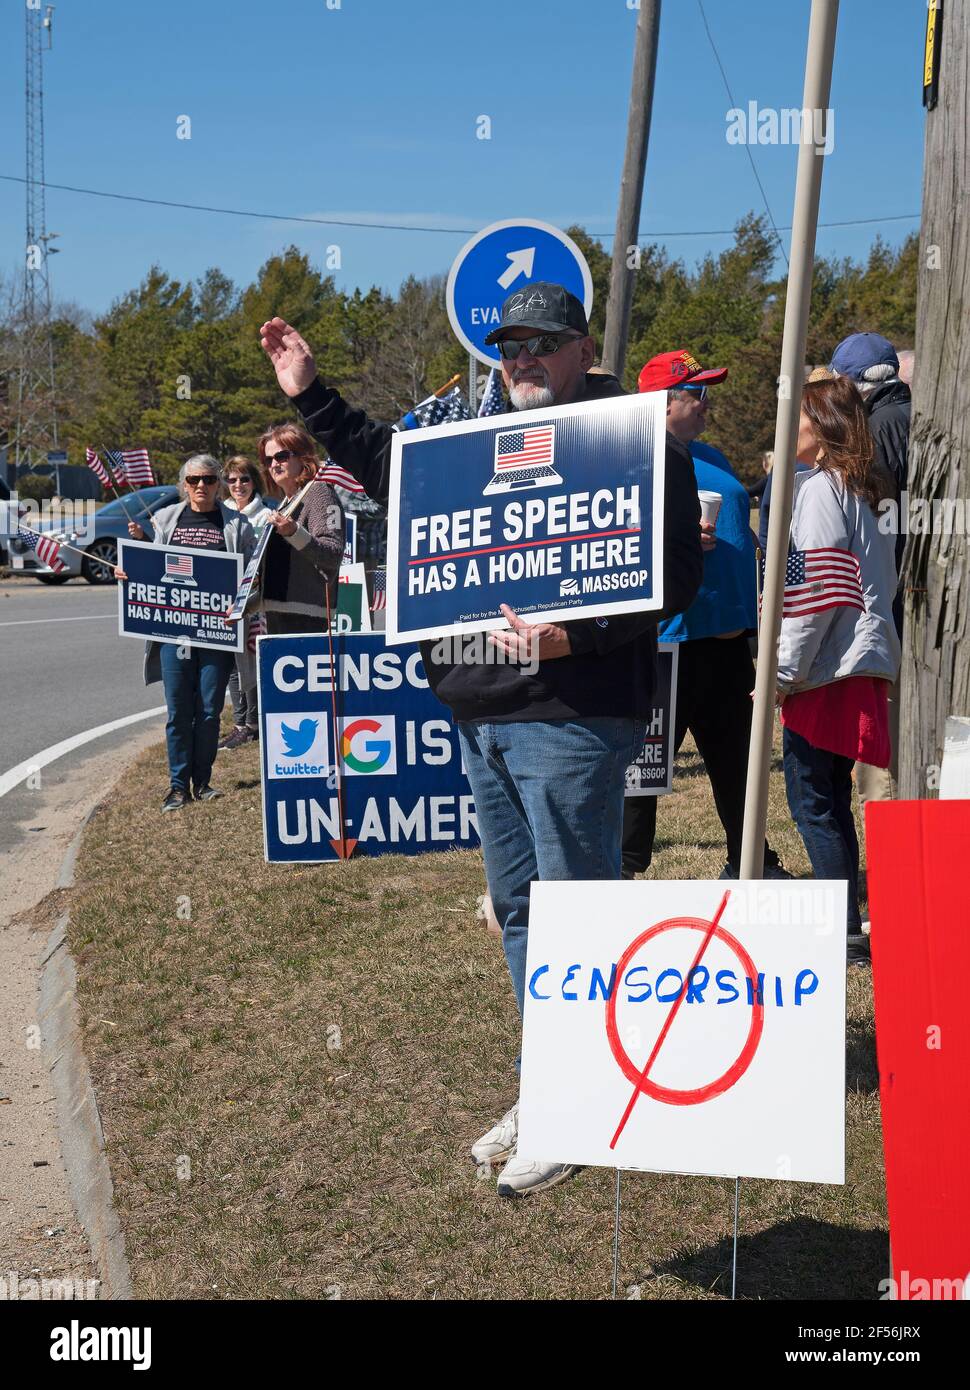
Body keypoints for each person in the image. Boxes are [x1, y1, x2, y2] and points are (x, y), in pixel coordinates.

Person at [259, 284, 703, 1197]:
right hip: (479, 710)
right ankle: (553, 1085)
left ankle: (587, 1106)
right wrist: (309, 393)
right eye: (509, 345)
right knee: (520, 911)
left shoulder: (637, 441)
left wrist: (574, 636)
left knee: (579, 913)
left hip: (573, 715)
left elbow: (675, 577)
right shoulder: (472, 436)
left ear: (584, 350)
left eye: (542, 342)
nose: (522, 357)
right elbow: (388, 464)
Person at [622, 350, 788, 881]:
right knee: (642, 771)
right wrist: (669, 543)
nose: (706, 404)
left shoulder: (709, 453)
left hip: (726, 640)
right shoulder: (635, 459)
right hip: (668, 641)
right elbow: (612, 540)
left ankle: (752, 865)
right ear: (662, 403)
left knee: (736, 765)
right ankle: (618, 870)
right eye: (697, 394)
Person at [775, 377, 899, 966]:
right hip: (856, 660)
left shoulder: (820, 490)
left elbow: (816, 590)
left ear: (820, 429)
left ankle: (839, 930)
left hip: (824, 668)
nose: (787, 424)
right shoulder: (863, 489)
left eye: (796, 415)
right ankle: (847, 925)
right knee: (830, 797)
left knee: (813, 800)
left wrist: (781, 671)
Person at [115, 455, 256, 812]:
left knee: (209, 710)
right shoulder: (164, 520)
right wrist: (127, 571)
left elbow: (255, 577)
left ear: (218, 484)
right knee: (178, 711)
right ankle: (177, 788)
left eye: (209, 480)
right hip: (173, 636)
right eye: (193, 480)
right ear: (184, 484)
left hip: (216, 635)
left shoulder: (237, 525)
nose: (201, 487)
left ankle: (203, 781)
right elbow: (149, 568)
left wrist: (241, 606)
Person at [829, 333, 911, 802]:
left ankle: (893, 855)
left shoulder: (875, 430)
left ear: (852, 384)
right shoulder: (923, 415)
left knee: (885, 738)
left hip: (893, 601)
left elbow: (875, 526)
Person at [256, 424, 344, 635]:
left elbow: (332, 554)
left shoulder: (320, 493)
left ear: (302, 457)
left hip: (306, 618)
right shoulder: (284, 504)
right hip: (275, 615)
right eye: (269, 460)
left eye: (282, 456)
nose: (274, 464)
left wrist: (293, 532)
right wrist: (246, 605)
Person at [220, 456, 274, 750]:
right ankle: (239, 722)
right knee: (231, 662)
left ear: (254, 481)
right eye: (232, 480)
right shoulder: (222, 513)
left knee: (250, 661)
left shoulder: (264, 515)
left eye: (244, 479)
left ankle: (253, 723)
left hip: (251, 600)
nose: (238, 485)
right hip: (224, 599)